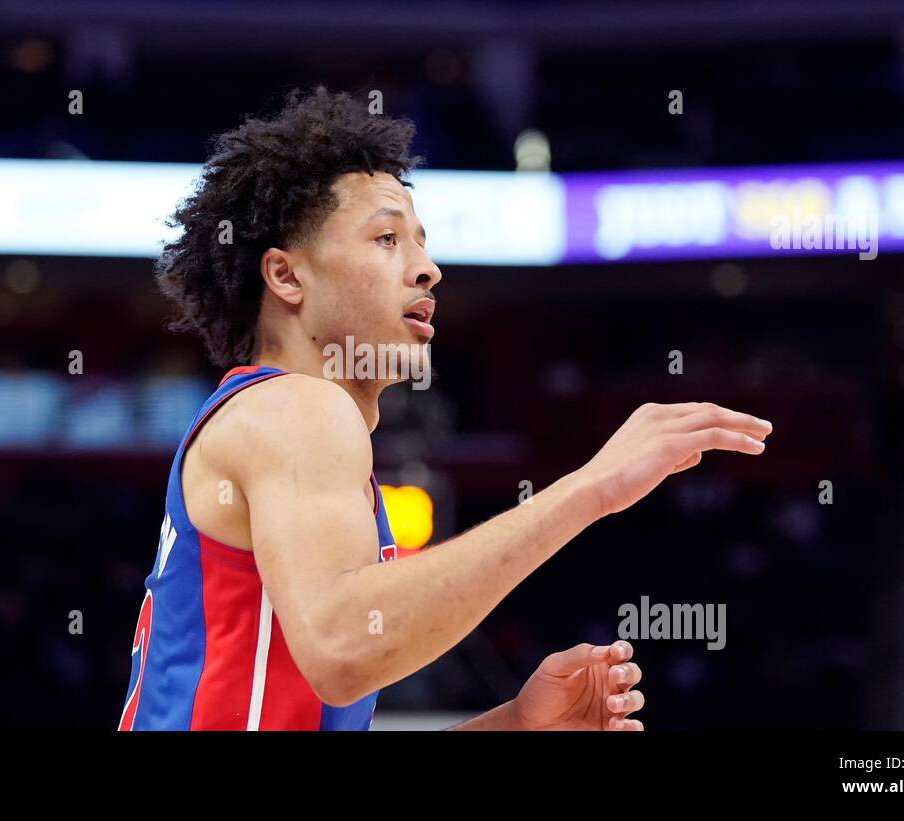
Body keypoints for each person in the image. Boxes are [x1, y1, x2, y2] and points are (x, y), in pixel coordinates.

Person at [118, 87, 772, 731]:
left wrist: (515, 725)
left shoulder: (289, 436)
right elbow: (346, 648)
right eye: (386, 239)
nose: (428, 269)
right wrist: (593, 486)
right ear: (287, 276)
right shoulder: (295, 407)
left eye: (423, 243)